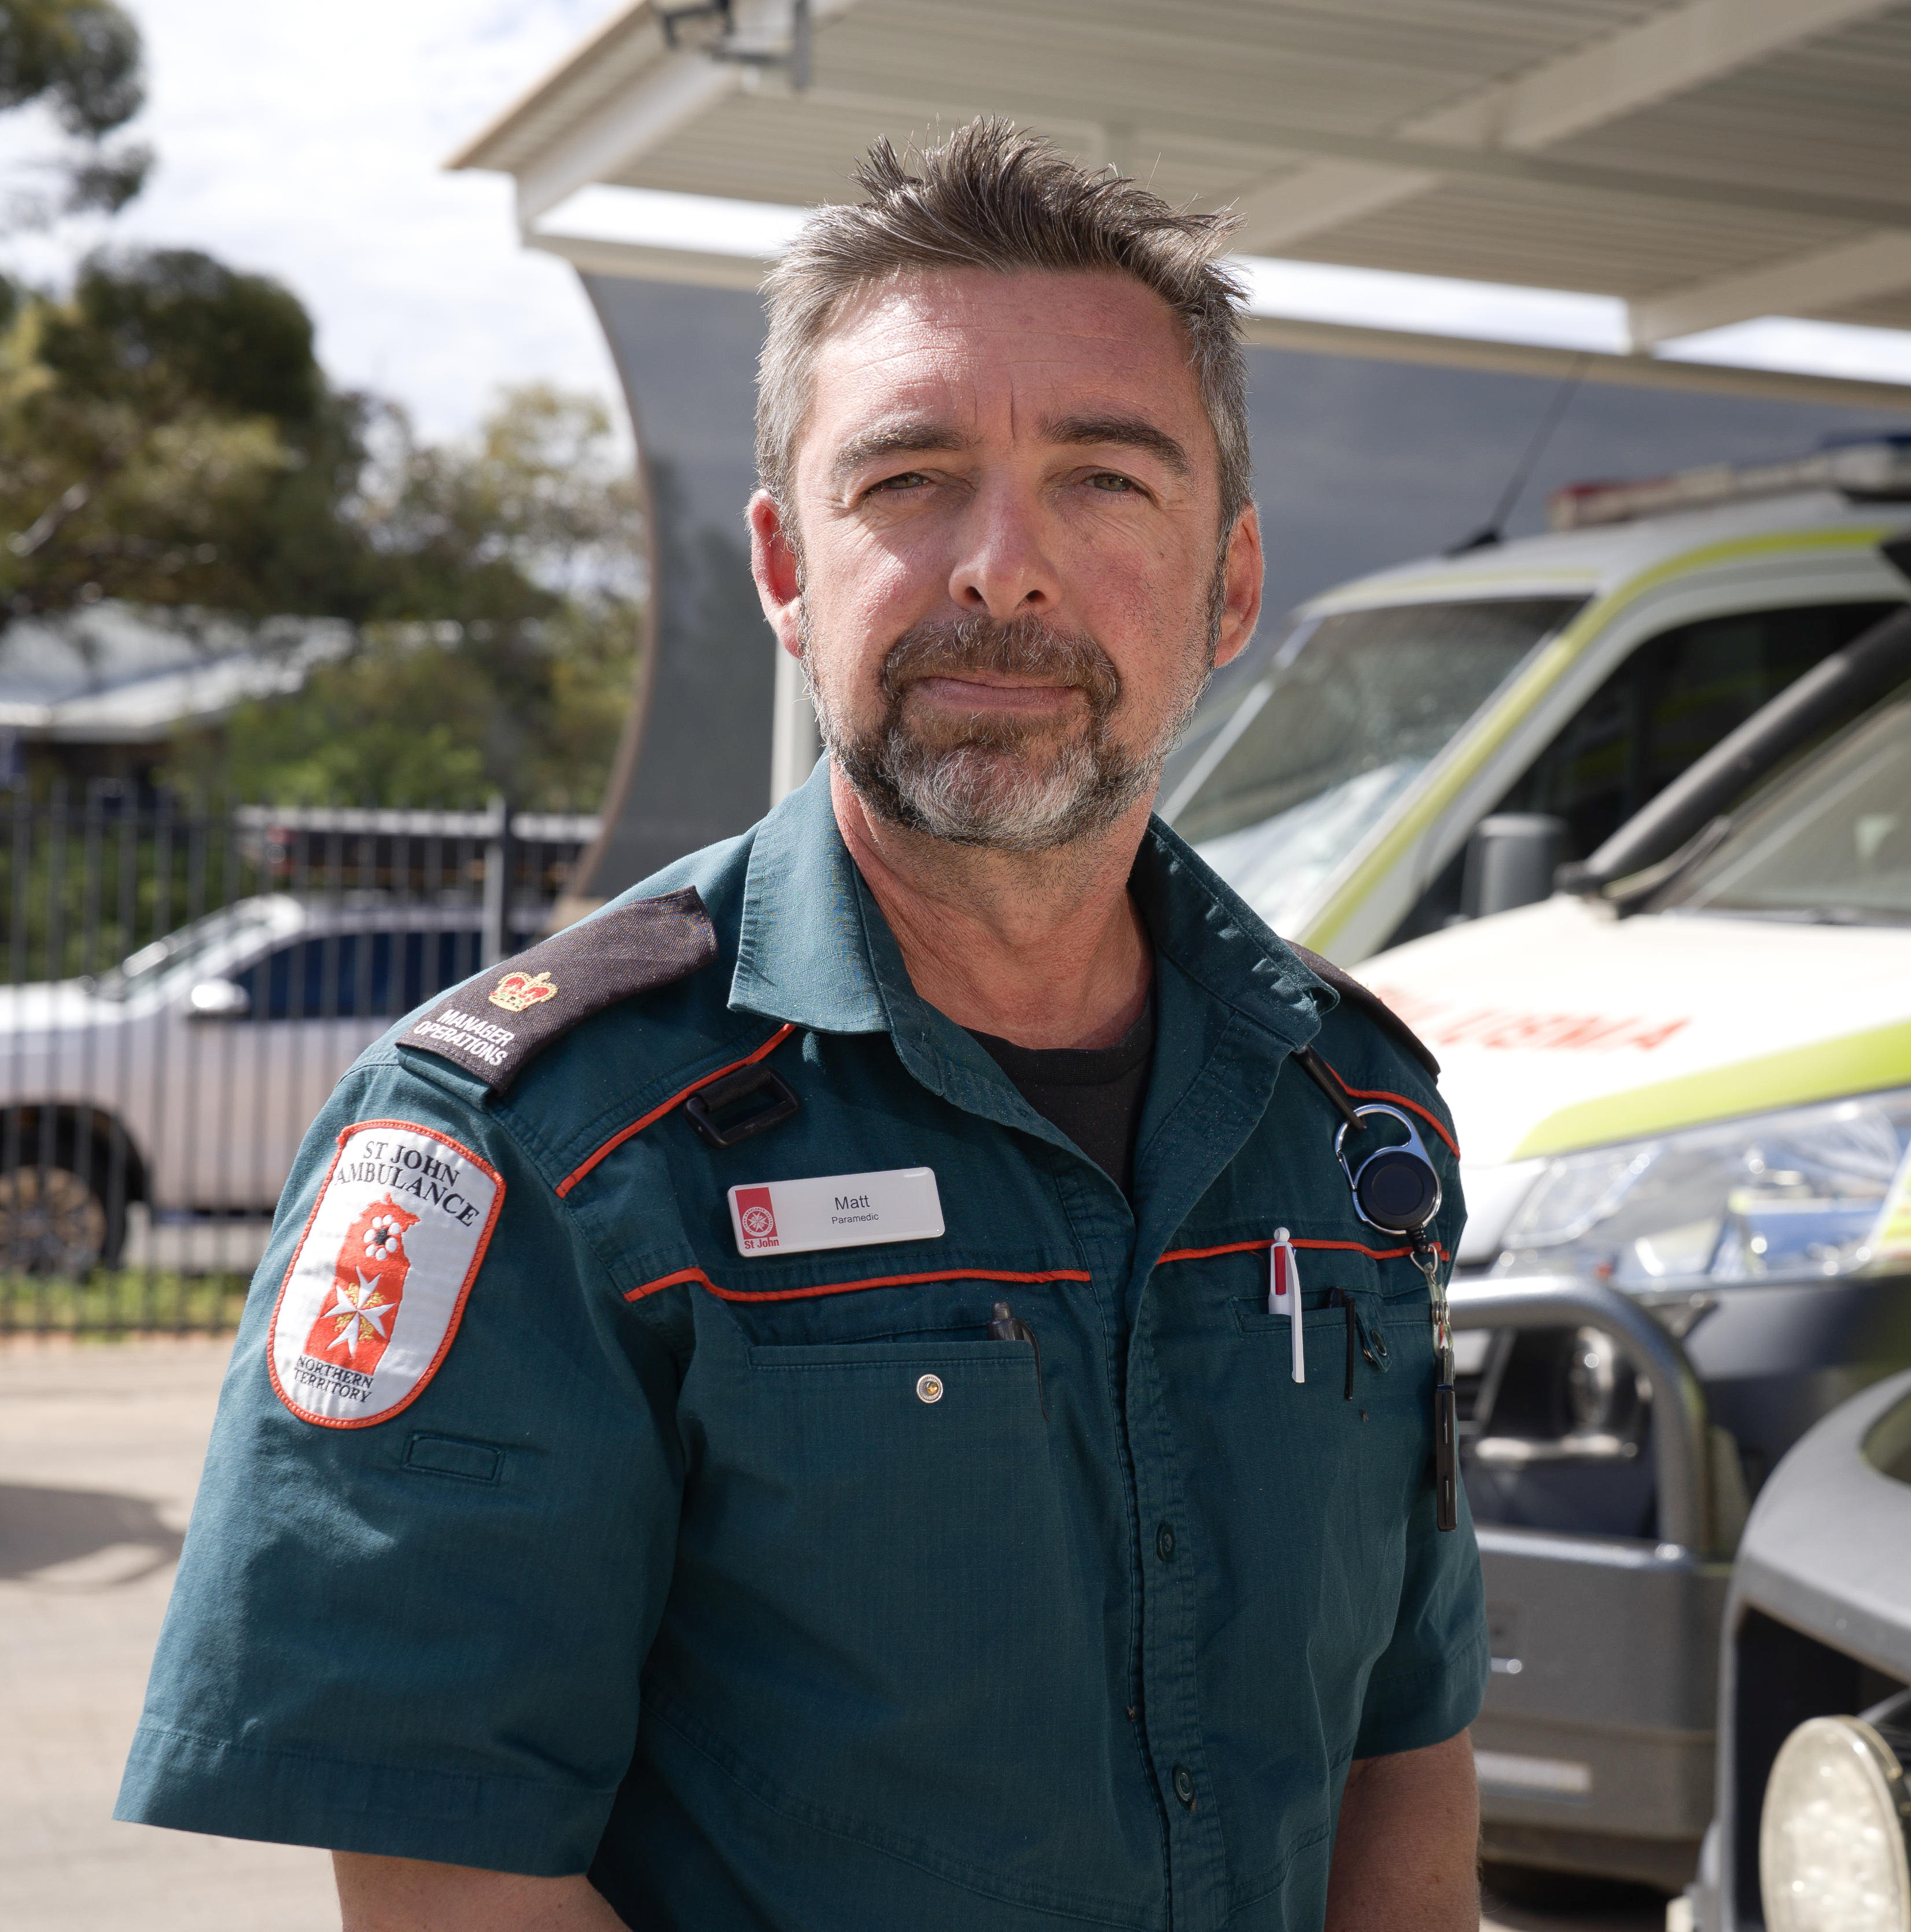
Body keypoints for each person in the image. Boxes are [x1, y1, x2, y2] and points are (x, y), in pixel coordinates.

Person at [115, 121, 1486, 1932]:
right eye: (910, 478)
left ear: (1231, 585)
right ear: (782, 566)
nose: (1003, 567)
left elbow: (1405, 1745)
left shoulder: (1352, 1113)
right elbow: (459, 1896)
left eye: (1103, 480)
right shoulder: (532, 1151)